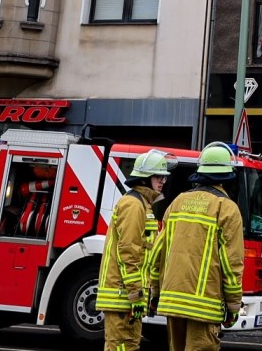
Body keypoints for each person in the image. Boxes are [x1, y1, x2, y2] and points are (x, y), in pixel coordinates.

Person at [150, 142, 245, 351]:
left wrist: (154, 291)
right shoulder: (227, 208)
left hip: (172, 300)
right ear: (228, 176)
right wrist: (233, 305)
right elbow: (232, 263)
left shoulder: (178, 202)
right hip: (205, 306)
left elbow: (157, 252)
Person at [97, 149, 171, 351]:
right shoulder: (133, 205)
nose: (162, 181)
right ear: (145, 178)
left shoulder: (142, 204)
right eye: (158, 176)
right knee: (121, 346)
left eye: (164, 176)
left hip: (127, 295)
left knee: (128, 345)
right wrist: (136, 294)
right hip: (122, 295)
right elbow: (128, 252)